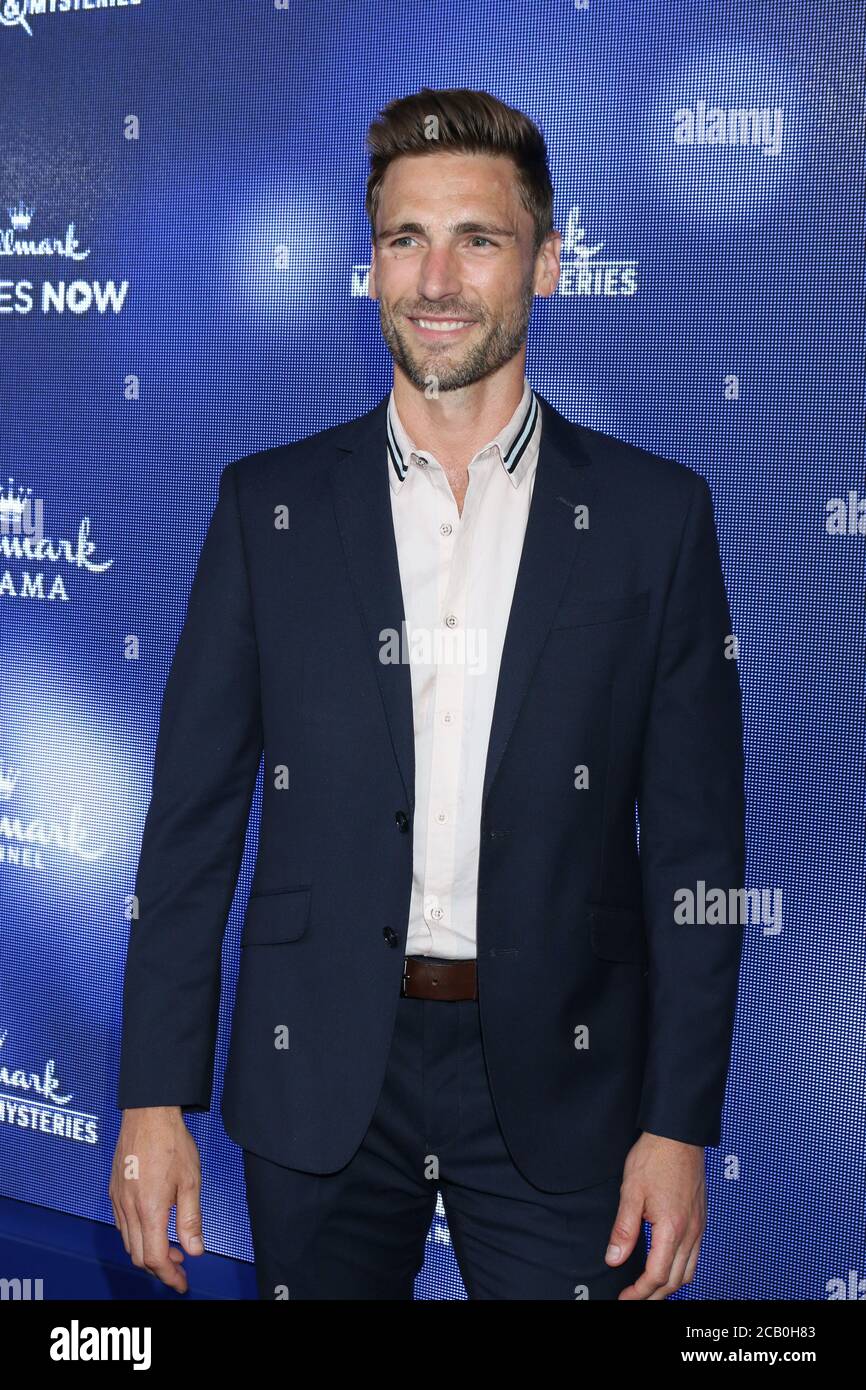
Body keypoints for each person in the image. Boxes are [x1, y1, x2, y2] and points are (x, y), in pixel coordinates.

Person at [110, 86, 745, 1301]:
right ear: (371, 266)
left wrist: (678, 1124)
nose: (436, 278)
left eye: (478, 238)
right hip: (321, 1067)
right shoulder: (269, 509)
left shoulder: (654, 521)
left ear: (546, 265)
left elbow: (695, 852)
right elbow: (190, 825)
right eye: (405, 239)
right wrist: (153, 1096)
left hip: (563, 1075)